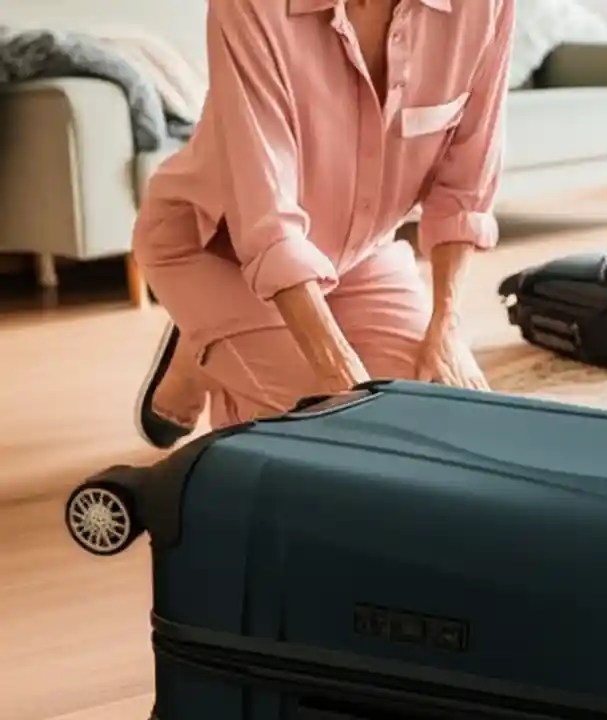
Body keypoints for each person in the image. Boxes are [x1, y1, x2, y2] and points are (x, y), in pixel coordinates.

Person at [131, 0, 514, 449]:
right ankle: (213, 337)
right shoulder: (252, 7)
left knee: (437, 418)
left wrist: (445, 328)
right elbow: (267, 221)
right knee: (340, 441)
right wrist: (348, 386)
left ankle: (206, 347)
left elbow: (463, 190)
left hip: (362, 252)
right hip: (213, 244)